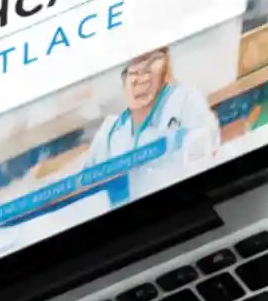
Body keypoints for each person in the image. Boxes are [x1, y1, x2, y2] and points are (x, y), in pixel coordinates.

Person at [83, 46, 221, 205]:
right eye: (133, 72)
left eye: (150, 65)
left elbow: (205, 150)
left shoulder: (186, 99)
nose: (141, 79)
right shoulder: (110, 131)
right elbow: (86, 187)